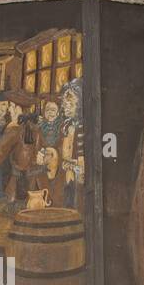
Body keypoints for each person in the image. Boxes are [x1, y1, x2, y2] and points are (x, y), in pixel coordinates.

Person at [58, 79, 84, 210]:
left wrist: (76, 165)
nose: (65, 106)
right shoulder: (65, 125)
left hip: (80, 174)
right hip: (67, 172)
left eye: (70, 103)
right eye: (64, 103)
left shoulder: (84, 127)